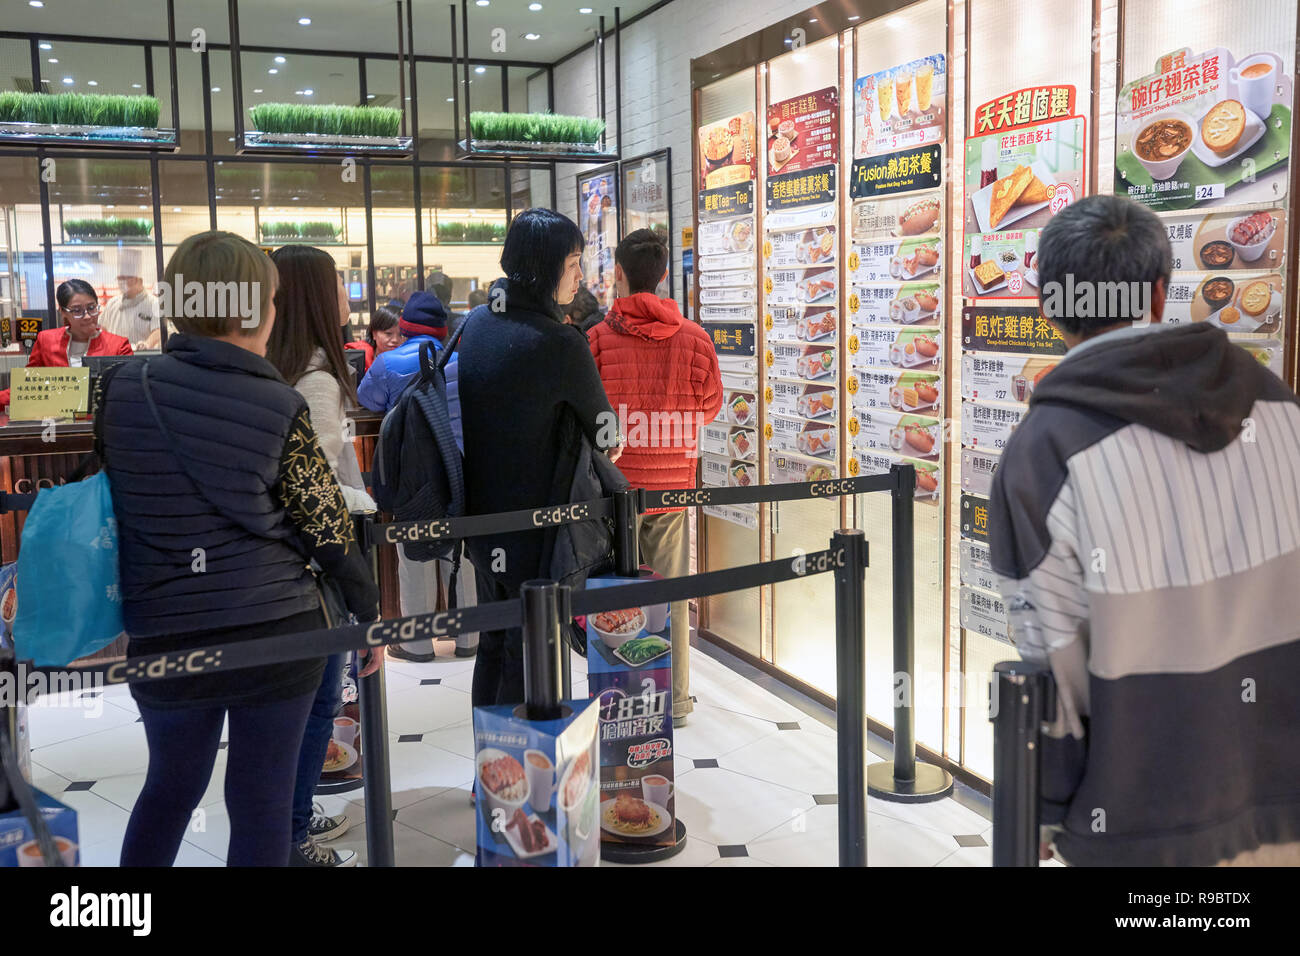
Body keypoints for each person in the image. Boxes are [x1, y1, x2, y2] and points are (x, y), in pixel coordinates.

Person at [987, 194, 1300, 867]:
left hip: (1140, 824)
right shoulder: (1281, 404)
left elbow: (1052, 663)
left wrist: (1044, 810)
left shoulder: (1045, 453)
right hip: (1284, 797)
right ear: (1158, 295)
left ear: (1049, 305)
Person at [99, 231, 380, 867]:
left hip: (165, 630)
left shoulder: (121, 389)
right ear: (253, 307)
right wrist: (369, 619)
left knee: (168, 789)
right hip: (275, 631)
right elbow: (327, 529)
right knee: (261, 801)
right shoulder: (280, 404)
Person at [458, 207, 620, 708]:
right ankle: (525, 780)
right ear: (546, 268)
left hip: (483, 520)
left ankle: (491, 775)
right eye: (573, 264)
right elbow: (605, 431)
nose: (580, 277)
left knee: (495, 643)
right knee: (532, 652)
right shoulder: (559, 342)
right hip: (540, 526)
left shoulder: (479, 323)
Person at [268, 245, 379, 867]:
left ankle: (286, 822)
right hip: (312, 570)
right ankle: (292, 836)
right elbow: (312, 490)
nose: (347, 293)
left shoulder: (273, 366)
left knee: (294, 712)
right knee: (315, 709)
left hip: (276, 571)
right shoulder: (315, 378)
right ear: (315, 294)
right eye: (339, 282)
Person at [587, 229, 722, 727]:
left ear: (618, 273)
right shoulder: (695, 338)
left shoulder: (599, 338)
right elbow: (709, 406)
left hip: (616, 493)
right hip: (672, 487)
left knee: (621, 600)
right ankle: (677, 701)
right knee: (671, 599)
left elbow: (590, 415)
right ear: (664, 275)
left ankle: (623, 702)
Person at [356, 291, 466, 662]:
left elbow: (367, 400)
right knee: (463, 548)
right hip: (461, 465)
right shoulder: (463, 359)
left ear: (404, 329)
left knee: (414, 548)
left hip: (412, 469)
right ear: (442, 329)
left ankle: (417, 644)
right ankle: (470, 638)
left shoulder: (387, 364)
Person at [0, 279, 133, 409]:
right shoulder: (46, 340)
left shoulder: (119, 345)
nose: (87, 316)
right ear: (63, 312)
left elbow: (130, 392)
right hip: (56, 423)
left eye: (92, 308)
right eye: (77, 310)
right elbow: (26, 387)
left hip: (101, 424)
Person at [99, 248, 160, 350]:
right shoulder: (112, 303)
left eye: (126, 278)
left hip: (143, 360)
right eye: (120, 278)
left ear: (139, 280)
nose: (121, 282)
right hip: (114, 358)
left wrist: (146, 344)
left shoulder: (155, 304)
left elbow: (158, 331)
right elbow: (102, 328)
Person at [345, 305, 401, 371]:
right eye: (388, 334)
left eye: (401, 335)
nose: (395, 340)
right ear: (374, 334)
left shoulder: (412, 360)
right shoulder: (359, 358)